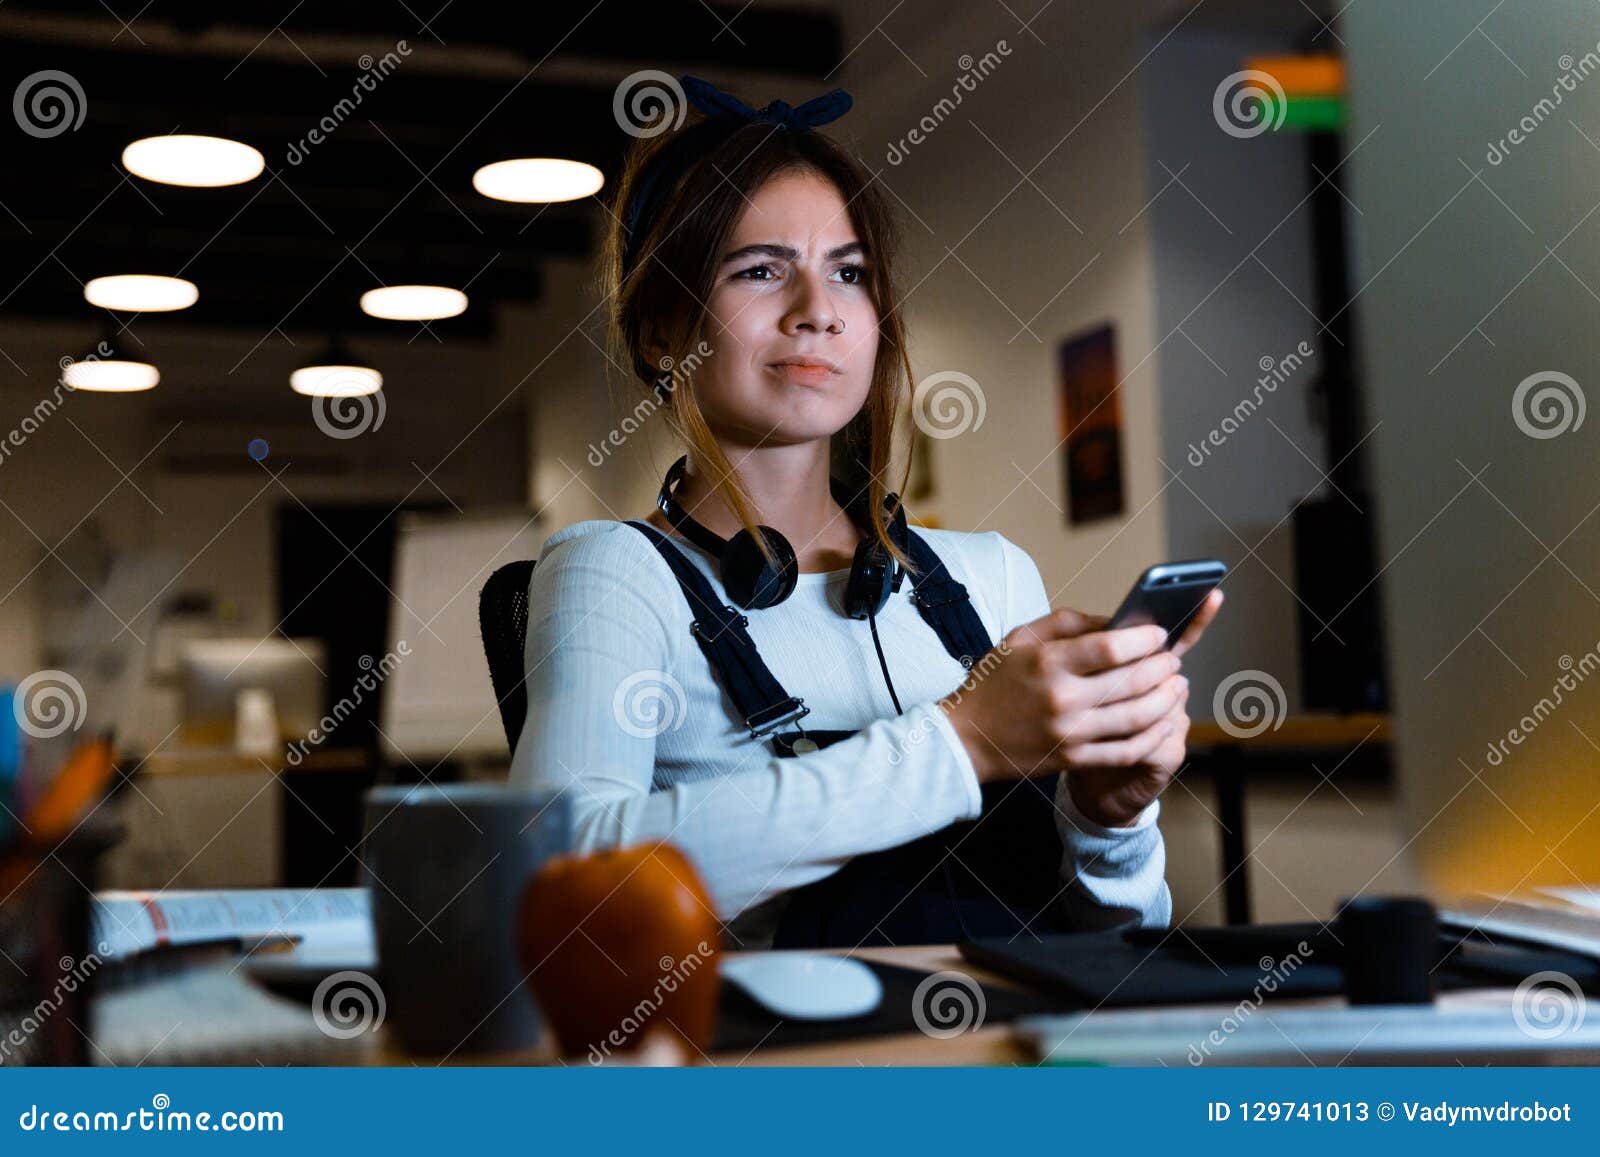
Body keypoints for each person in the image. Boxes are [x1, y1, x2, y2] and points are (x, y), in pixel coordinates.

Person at [508, 75, 1222, 948]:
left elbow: (1112, 948)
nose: (819, 313)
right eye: (762, 270)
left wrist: (1110, 823)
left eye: (848, 273)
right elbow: (560, 887)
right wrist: (962, 743)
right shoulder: (613, 573)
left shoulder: (990, 576)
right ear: (662, 330)